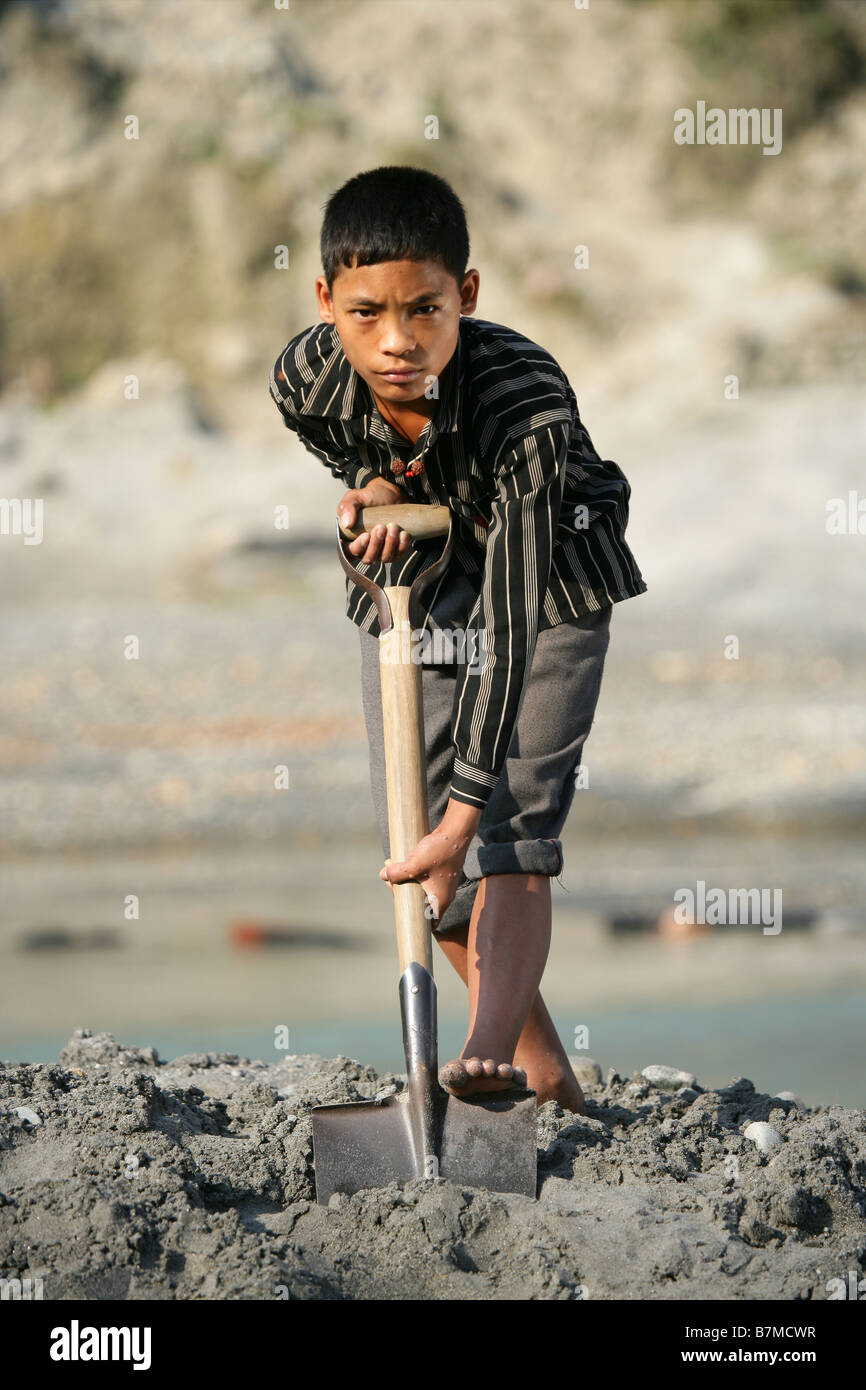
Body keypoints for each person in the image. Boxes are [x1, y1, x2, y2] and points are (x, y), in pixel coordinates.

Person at [268, 165, 647, 1113]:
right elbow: (358, 453)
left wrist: (467, 813)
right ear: (325, 302)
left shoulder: (526, 407)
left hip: (551, 577)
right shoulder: (304, 377)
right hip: (422, 576)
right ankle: (548, 1072)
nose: (396, 342)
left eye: (424, 310)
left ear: (466, 296)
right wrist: (377, 489)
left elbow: (511, 618)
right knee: (417, 838)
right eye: (365, 314)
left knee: (507, 824)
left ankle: (482, 1061)